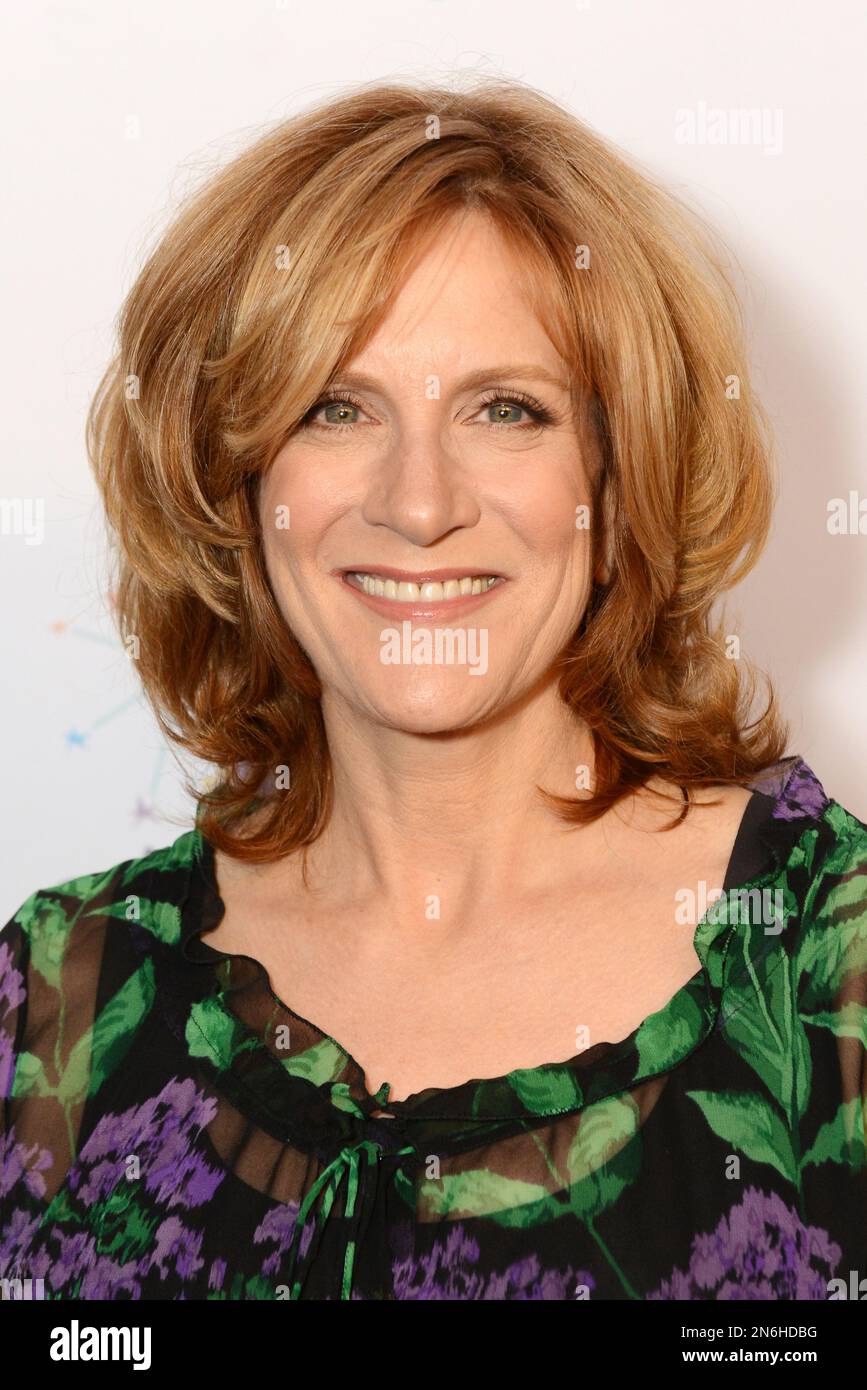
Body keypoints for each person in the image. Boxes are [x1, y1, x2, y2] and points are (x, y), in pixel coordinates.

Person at [2, 78, 865, 1302]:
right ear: (236, 484)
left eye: (506, 409)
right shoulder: (58, 998)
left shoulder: (834, 975)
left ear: (620, 485)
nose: (418, 503)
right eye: (336, 406)